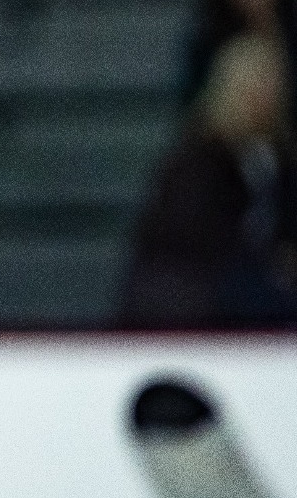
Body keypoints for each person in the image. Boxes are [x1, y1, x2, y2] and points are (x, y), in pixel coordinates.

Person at [122, 34, 297, 328]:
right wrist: (270, 262)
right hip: (194, 284)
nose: (267, 96)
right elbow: (195, 232)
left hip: (245, 281)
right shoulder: (200, 157)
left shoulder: (275, 157)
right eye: (257, 86)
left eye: (272, 84)